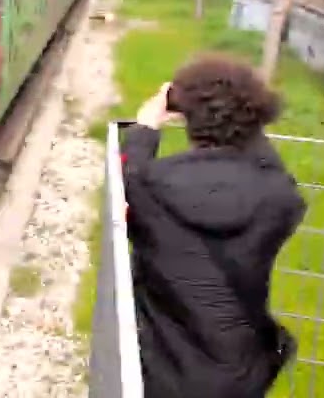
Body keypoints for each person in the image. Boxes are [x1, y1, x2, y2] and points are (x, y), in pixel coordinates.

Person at [121, 54, 307, 398]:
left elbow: (125, 179)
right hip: (240, 376)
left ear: (188, 116)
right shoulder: (278, 198)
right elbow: (276, 174)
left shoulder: (152, 188)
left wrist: (146, 126)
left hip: (164, 371)